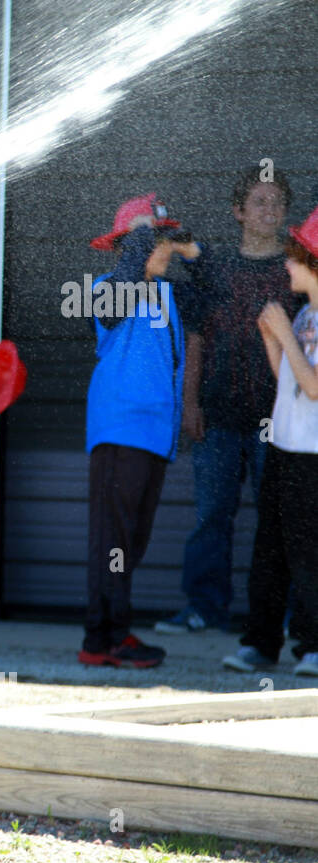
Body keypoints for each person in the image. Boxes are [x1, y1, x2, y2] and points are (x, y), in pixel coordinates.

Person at [158, 168, 298, 635]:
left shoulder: (296, 273)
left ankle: (285, 622)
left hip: (279, 421)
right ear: (237, 211)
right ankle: (204, 609)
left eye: (277, 201)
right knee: (211, 516)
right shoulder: (214, 268)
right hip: (217, 415)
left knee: (281, 523)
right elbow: (195, 340)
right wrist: (190, 403)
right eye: (258, 201)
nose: (269, 210)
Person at [79, 195, 199, 668]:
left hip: (154, 436)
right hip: (120, 431)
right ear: (131, 245)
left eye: (162, 237)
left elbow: (209, 284)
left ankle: (116, 632)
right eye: (152, 239)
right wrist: (145, 235)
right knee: (111, 540)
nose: (160, 246)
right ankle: (99, 639)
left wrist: (189, 249)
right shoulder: (109, 287)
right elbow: (117, 301)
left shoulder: (169, 294)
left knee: (131, 542)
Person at [222, 206, 318, 676]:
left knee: (310, 552)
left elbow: (317, 387)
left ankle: (314, 645)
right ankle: (259, 643)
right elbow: (292, 383)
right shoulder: (302, 317)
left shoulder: (298, 321)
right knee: (270, 548)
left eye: (295, 256)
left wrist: (282, 333)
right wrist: (272, 339)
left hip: (313, 456)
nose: (286, 264)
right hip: (284, 446)